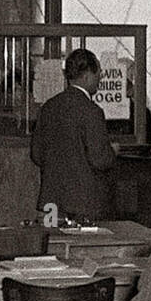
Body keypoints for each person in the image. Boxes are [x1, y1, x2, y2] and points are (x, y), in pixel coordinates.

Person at [30, 48, 115, 223]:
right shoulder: (91, 111)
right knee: (83, 247)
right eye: (98, 72)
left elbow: (37, 155)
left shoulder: (48, 107)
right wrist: (112, 151)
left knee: (53, 242)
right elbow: (100, 159)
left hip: (51, 200)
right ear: (87, 76)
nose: (100, 78)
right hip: (83, 203)